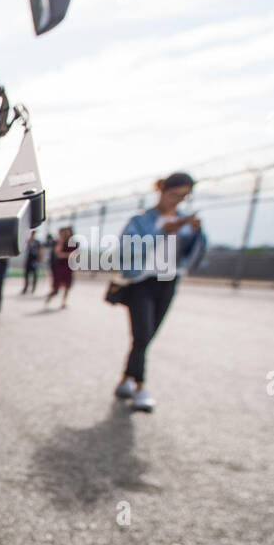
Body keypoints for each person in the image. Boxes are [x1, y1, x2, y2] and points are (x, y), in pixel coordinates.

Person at [109, 171, 206, 413]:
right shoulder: (141, 220)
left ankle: (125, 381)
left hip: (169, 281)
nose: (177, 201)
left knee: (147, 335)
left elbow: (194, 254)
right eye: (174, 195)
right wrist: (165, 230)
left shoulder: (183, 221)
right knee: (142, 334)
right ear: (162, 191)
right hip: (142, 282)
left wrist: (196, 233)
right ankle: (140, 388)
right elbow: (127, 248)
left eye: (183, 197)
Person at [45, 226, 74, 308]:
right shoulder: (60, 242)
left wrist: (65, 255)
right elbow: (58, 254)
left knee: (67, 286)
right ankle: (49, 298)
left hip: (68, 267)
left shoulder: (74, 243)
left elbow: (75, 255)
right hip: (59, 267)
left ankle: (63, 302)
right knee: (56, 288)